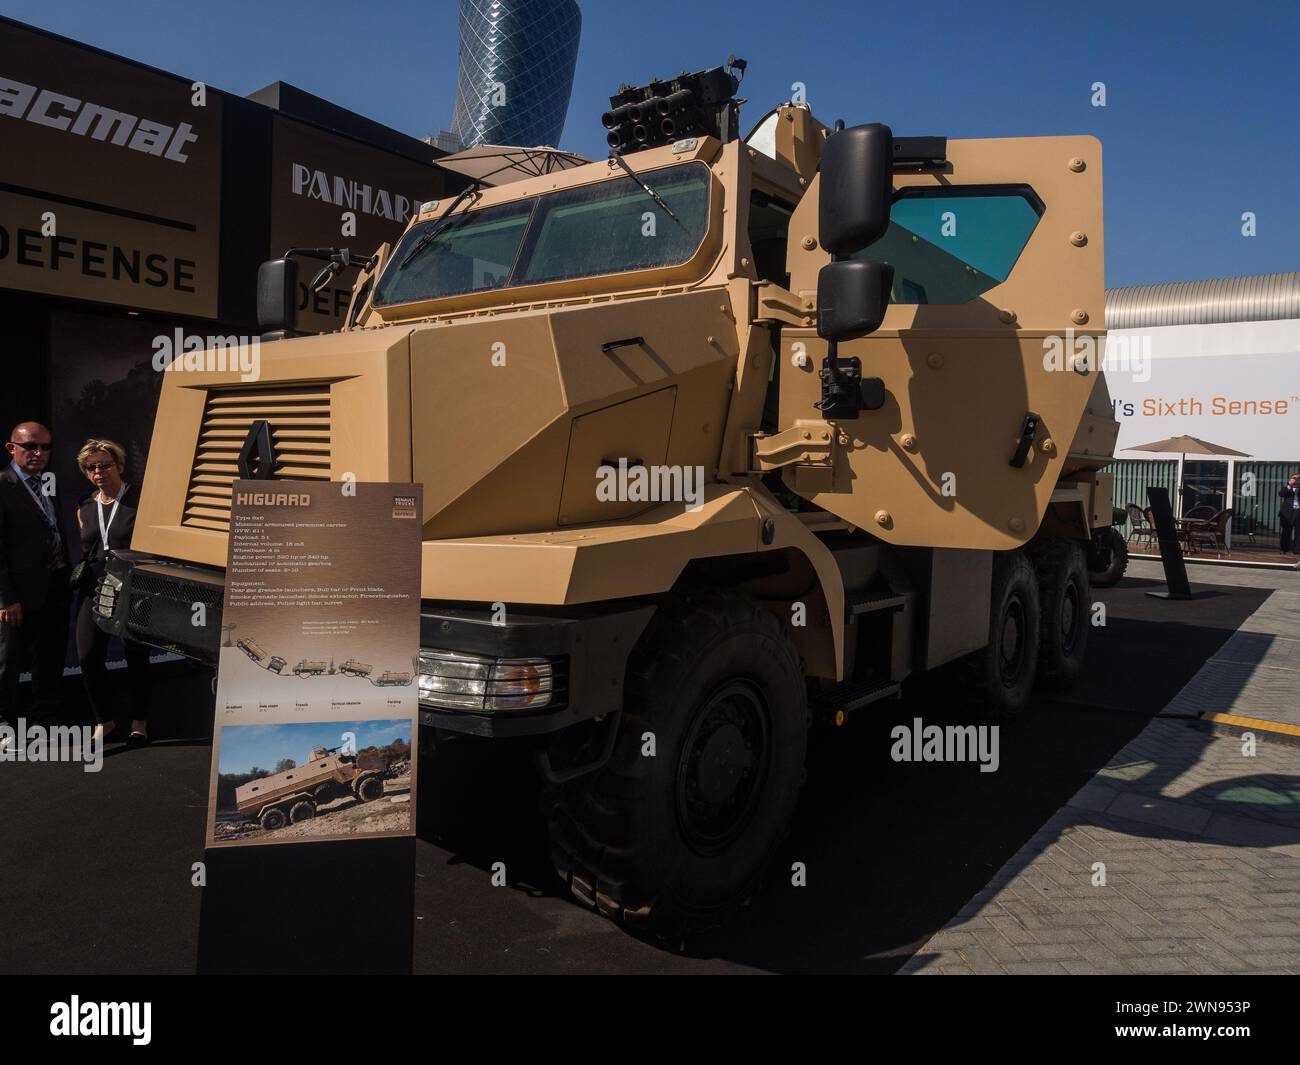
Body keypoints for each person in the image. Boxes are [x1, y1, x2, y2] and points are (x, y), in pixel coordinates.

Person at [73, 439, 150, 745]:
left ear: (119, 465)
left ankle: (139, 722)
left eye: (104, 464)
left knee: (136, 657)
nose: (98, 472)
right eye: (91, 467)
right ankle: (104, 720)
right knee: (88, 656)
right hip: (96, 590)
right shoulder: (85, 505)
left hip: (134, 590)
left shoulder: (140, 497)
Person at [0, 421, 71, 727]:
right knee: (7, 662)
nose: (39, 453)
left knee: (50, 657)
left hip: (53, 586)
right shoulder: (2, 485)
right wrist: (6, 598)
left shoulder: (47, 483)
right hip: (16, 594)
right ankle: (4, 721)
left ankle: (45, 719)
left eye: (45, 447)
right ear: (11, 448)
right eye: (30, 446)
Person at [1280, 473, 1300, 556]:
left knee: (1298, 532)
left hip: (1298, 512)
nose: (1296, 479)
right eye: (1294, 478)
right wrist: (1289, 485)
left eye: (1298, 478)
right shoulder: (1287, 488)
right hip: (1287, 513)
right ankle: (1284, 549)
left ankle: (1297, 550)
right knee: (1286, 532)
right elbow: (1281, 494)